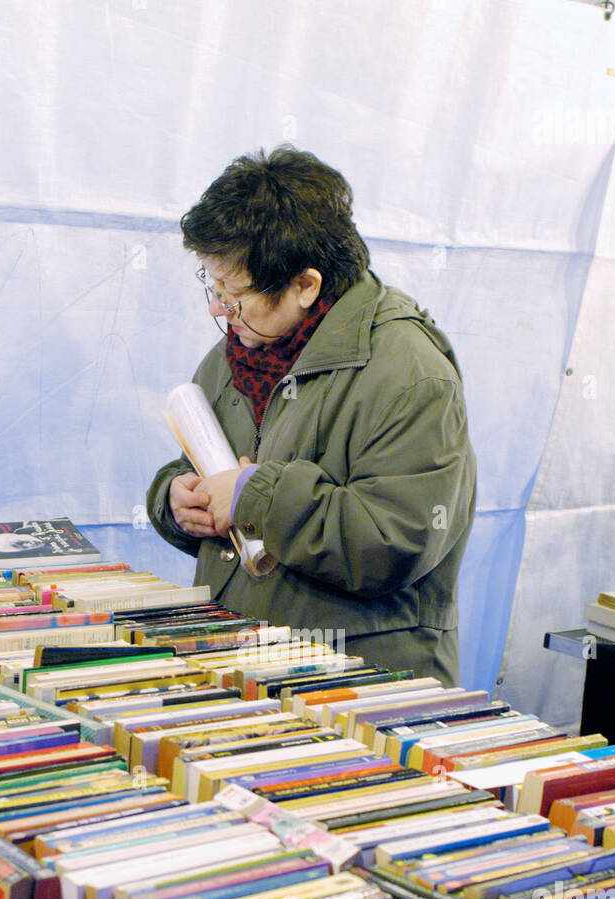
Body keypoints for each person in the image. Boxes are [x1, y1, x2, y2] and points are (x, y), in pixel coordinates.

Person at [146, 146, 476, 684]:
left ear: (306, 284)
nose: (217, 309)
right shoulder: (236, 352)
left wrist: (255, 496)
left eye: (234, 294)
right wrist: (176, 500)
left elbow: (398, 542)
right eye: (213, 288)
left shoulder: (410, 372)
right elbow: (206, 472)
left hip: (357, 683)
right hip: (241, 662)